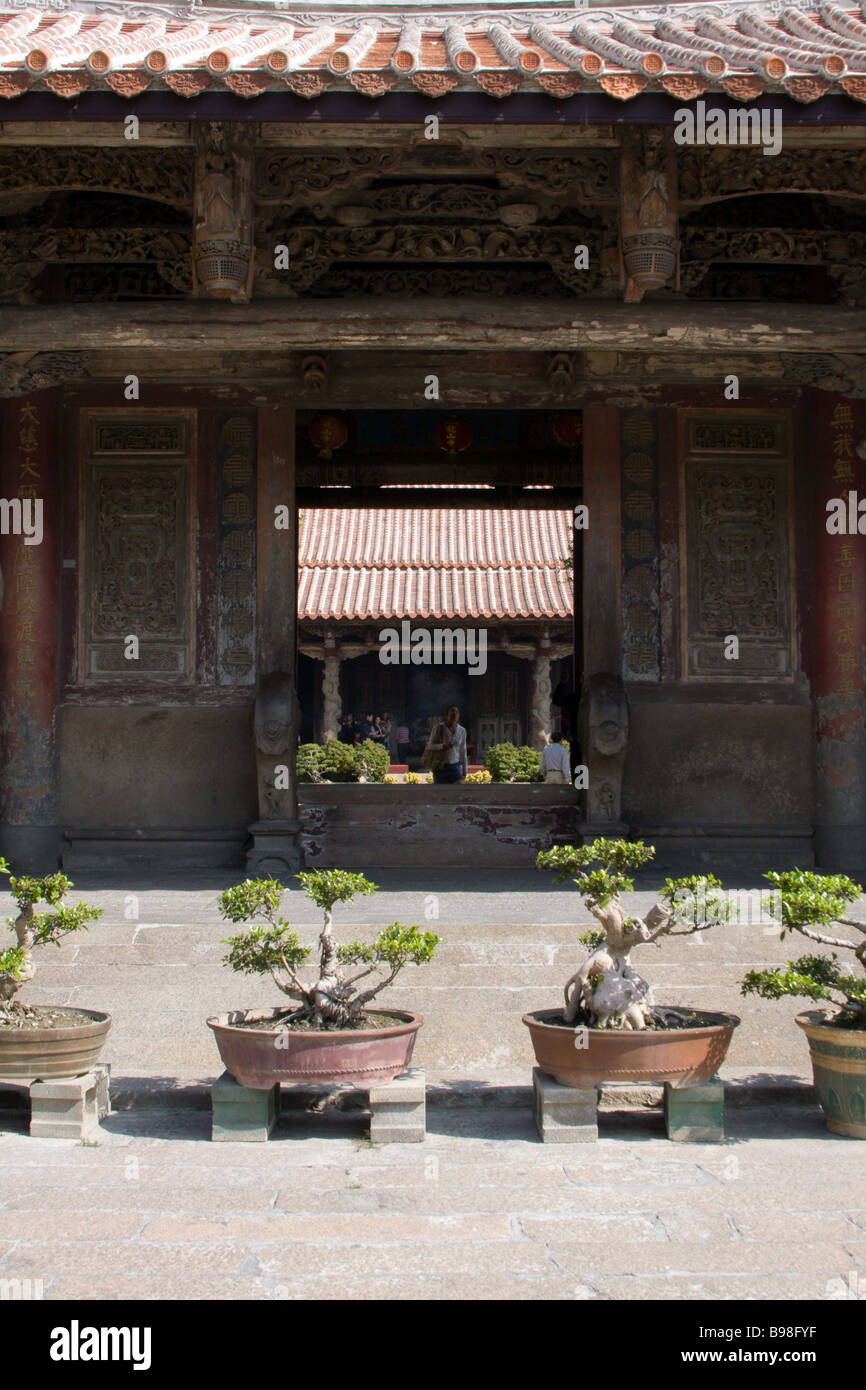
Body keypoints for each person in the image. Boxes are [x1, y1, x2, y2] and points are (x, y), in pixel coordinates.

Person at [551, 667, 582, 783]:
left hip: (593, 734)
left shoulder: (597, 697)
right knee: (578, 760)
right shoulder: (576, 698)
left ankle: (585, 786)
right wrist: (562, 683)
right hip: (577, 735)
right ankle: (579, 787)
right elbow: (557, 701)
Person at [426, 705, 468, 784]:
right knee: (440, 793)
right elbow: (429, 746)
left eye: (457, 712)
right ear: (446, 715)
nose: (454, 713)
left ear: (459, 716)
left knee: (459, 791)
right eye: (452, 711)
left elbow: (463, 751)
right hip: (440, 767)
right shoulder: (438, 728)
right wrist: (443, 745)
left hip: (455, 766)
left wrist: (465, 770)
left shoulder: (462, 730)